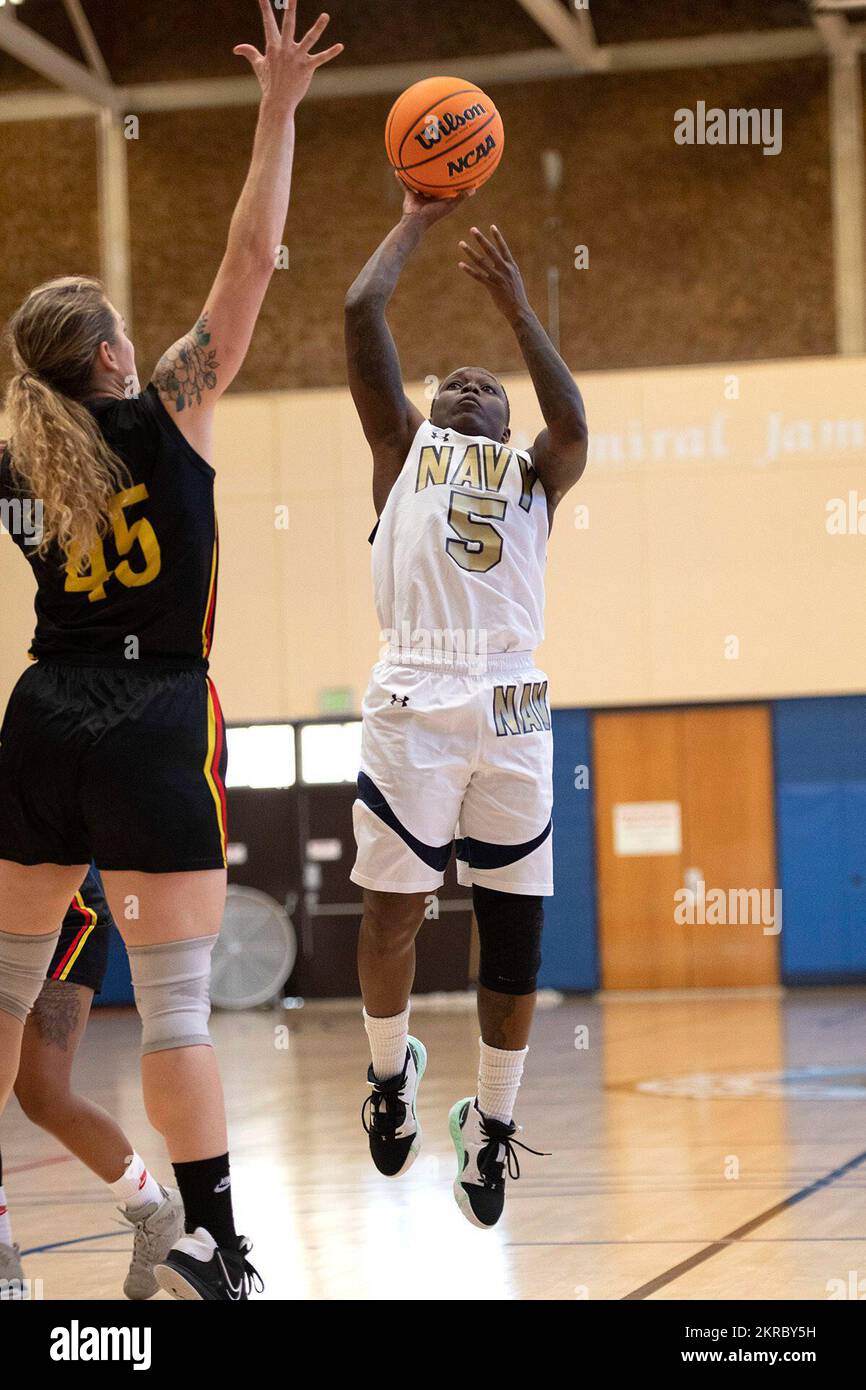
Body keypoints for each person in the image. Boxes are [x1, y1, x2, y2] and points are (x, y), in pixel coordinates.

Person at [0, 0, 342, 1299]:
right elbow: (253, 258)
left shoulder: (15, 470)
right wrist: (276, 108)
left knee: (4, 990)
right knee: (180, 1009)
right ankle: (213, 1238)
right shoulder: (171, 416)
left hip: (39, 720)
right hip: (153, 720)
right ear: (111, 355)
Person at [345, 184, 588, 1227]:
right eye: (454, 382)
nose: (469, 382)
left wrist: (518, 310)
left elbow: (572, 420)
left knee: (514, 932)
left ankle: (489, 1132)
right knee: (393, 910)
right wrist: (414, 218)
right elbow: (361, 314)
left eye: (487, 383)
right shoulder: (403, 452)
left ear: (505, 423)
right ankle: (388, 1076)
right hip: (415, 679)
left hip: (513, 690)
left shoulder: (537, 474)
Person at [0, 867, 183, 1300]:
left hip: (64, 921)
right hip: (11, 917)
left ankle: (152, 1210)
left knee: (44, 1092)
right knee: (43, 1097)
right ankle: (153, 1207)